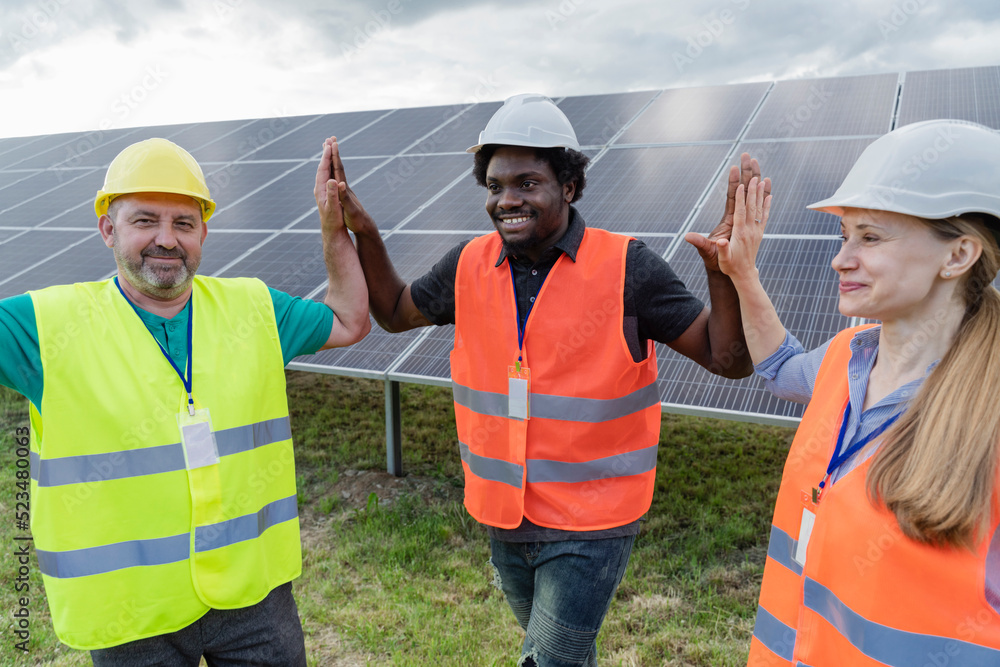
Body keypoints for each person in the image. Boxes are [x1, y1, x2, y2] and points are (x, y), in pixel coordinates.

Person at [331, 93, 763, 666]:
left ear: (569, 187)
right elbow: (394, 312)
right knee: (562, 654)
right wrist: (368, 232)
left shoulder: (628, 267)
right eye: (494, 186)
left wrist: (723, 272)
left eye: (527, 183)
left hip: (593, 523)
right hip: (504, 515)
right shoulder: (468, 264)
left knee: (548, 659)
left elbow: (728, 358)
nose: (506, 199)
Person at [0, 136, 369, 664]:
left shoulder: (254, 308)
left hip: (252, 600)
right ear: (108, 228)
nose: (166, 241)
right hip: (130, 615)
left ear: (203, 232)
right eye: (145, 221)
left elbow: (349, 319)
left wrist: (334, 230)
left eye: (184, 223)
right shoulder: (43, 325)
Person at [715, 119, 1000, 666]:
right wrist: (744, 272)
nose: (841, 259)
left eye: (869, 237)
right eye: (845, 236)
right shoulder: (849, 354)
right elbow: (780, 368)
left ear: (958, 255)